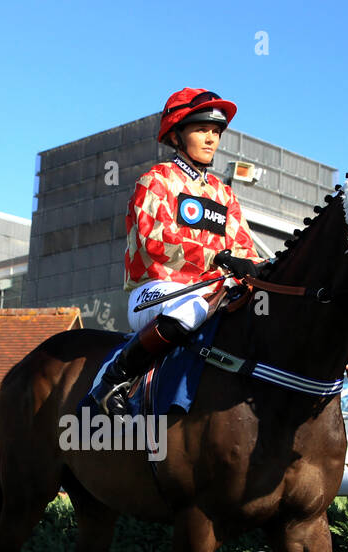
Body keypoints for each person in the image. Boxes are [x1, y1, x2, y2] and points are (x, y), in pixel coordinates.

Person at [91, 88, 262, 416]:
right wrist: (218, 257)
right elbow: (154, 241)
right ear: (176, 135)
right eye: (201, 130)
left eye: (215, 132)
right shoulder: (155, 180)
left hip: (216, 292)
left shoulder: (224, 194)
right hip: (155, 292)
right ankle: (115, 378)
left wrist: (263, 267)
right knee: (192, 308)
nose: (211, 139)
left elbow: (244, 247)